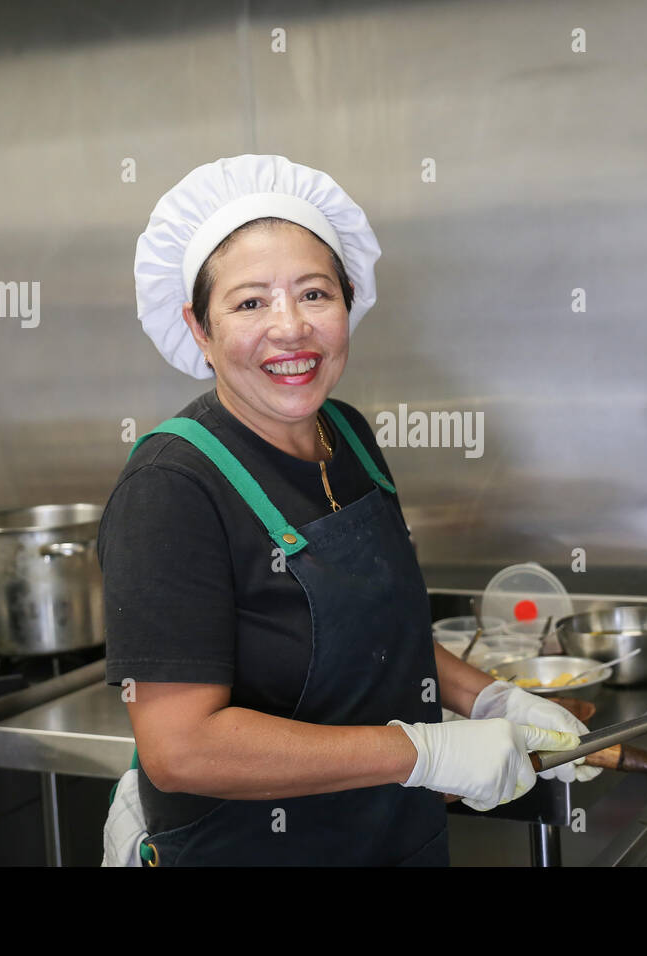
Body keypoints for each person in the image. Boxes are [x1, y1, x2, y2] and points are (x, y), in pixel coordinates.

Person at [99, 155, 597, 867]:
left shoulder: (350, 436)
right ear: (199, 329)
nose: (290, 328)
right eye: (249, 303)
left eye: (313, 293)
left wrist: (491, 702)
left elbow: (379, 634)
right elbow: (182, 749)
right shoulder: (171, 487)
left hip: (397, 840)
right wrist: (421, 749)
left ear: (349, 300)